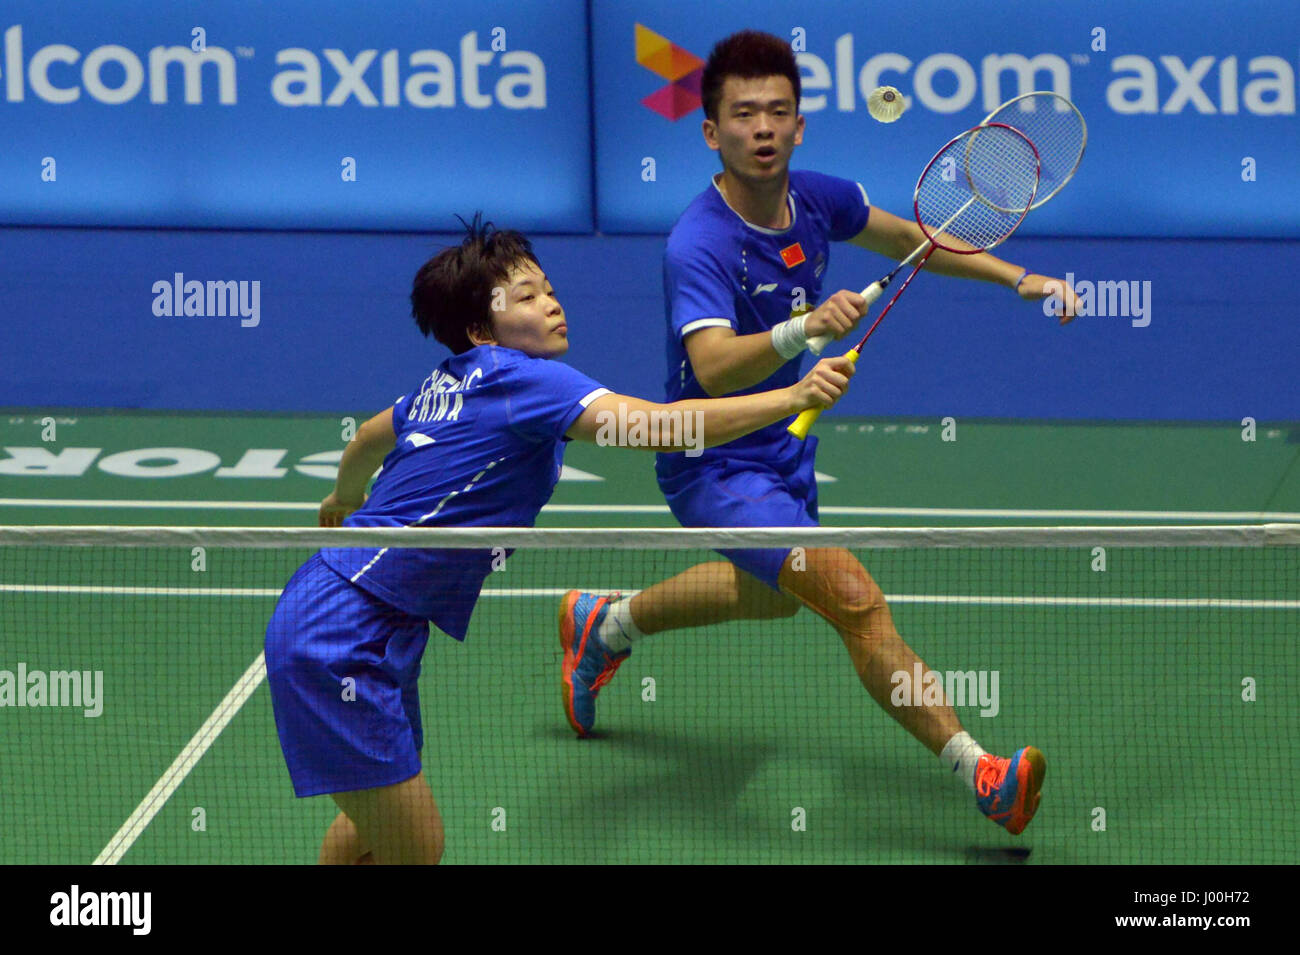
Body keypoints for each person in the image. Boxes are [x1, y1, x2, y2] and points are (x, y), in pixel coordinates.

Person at [559, 31, 1080, 836]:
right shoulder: (699, 243)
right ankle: (981, 771)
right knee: (852, 596)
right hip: (714, 460)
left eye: (777, 112)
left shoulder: (817, 200)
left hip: (785, 447)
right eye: (742, 114)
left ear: (800, 126)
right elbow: (711, 368)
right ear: (711, 132)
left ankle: (607, 623)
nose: (762, 128)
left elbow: (916, 239)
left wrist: (1020, 276)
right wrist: (803, 332)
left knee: (769, 597)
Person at [263, 216, 854, 864]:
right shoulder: (523, 380)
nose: (551, 301)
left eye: (548, 288)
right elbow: (659, 427)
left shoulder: (448, 381)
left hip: (359, 613)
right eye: (525, 295)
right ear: (482, 329)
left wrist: (344, 499)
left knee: (380, 826)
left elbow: (366, 439)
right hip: (346, 627)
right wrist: (790, 394)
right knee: (416, 843)